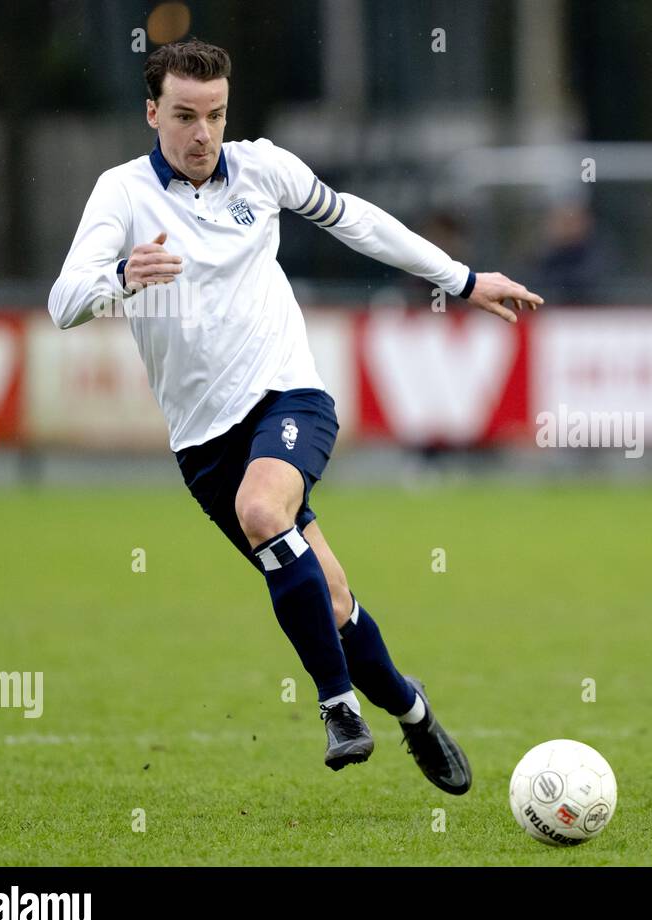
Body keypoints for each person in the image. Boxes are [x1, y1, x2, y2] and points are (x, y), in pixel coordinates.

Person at [47, 39, 543, 790]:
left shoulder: (263, 167)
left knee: (261, 508)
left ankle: (337, 706)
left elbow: (358, 222)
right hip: (203, 441)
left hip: (289, 396)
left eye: (214, 114)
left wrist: (463, 277)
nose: (202, 133)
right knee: (334, 598)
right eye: (183, 115)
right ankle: (413, 712)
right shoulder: (120, 195)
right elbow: (61, 304)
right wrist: (117, 277)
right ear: (153, 113)